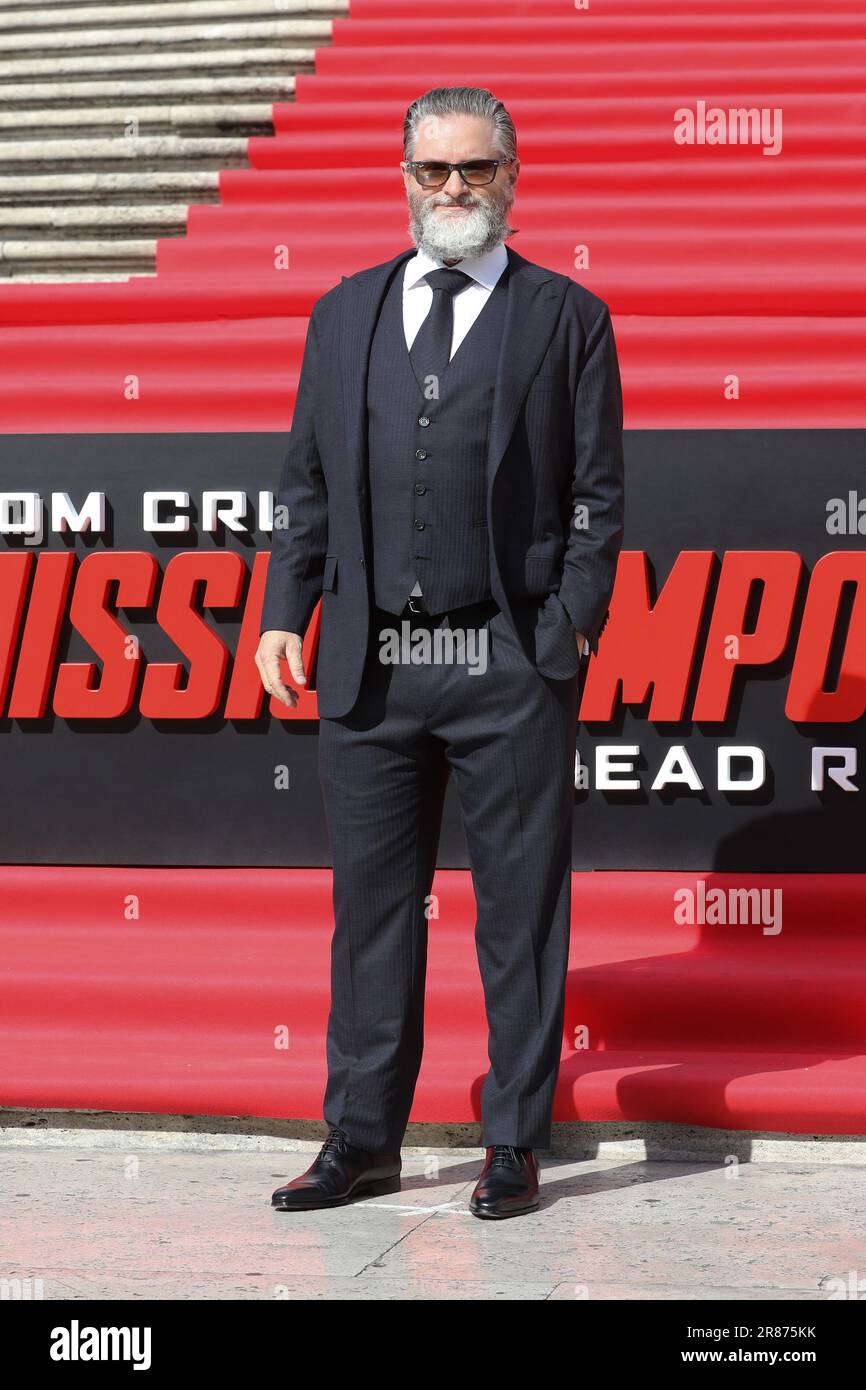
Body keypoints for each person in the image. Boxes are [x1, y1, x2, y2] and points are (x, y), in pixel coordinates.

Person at [256, 86, 624, 1219]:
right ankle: (359, 1137)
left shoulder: (567, 317)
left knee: (517, 907)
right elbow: (307, 483)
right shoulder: (341, 313)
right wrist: (286, 608)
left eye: (475, 169)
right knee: (371, 909)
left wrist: (560, 631)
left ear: (512, 177)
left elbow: (594, 499)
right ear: (403, 178)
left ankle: (512, 1138)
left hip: (507, 661)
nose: (454, 189)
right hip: (371, 666)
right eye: (433, 171)